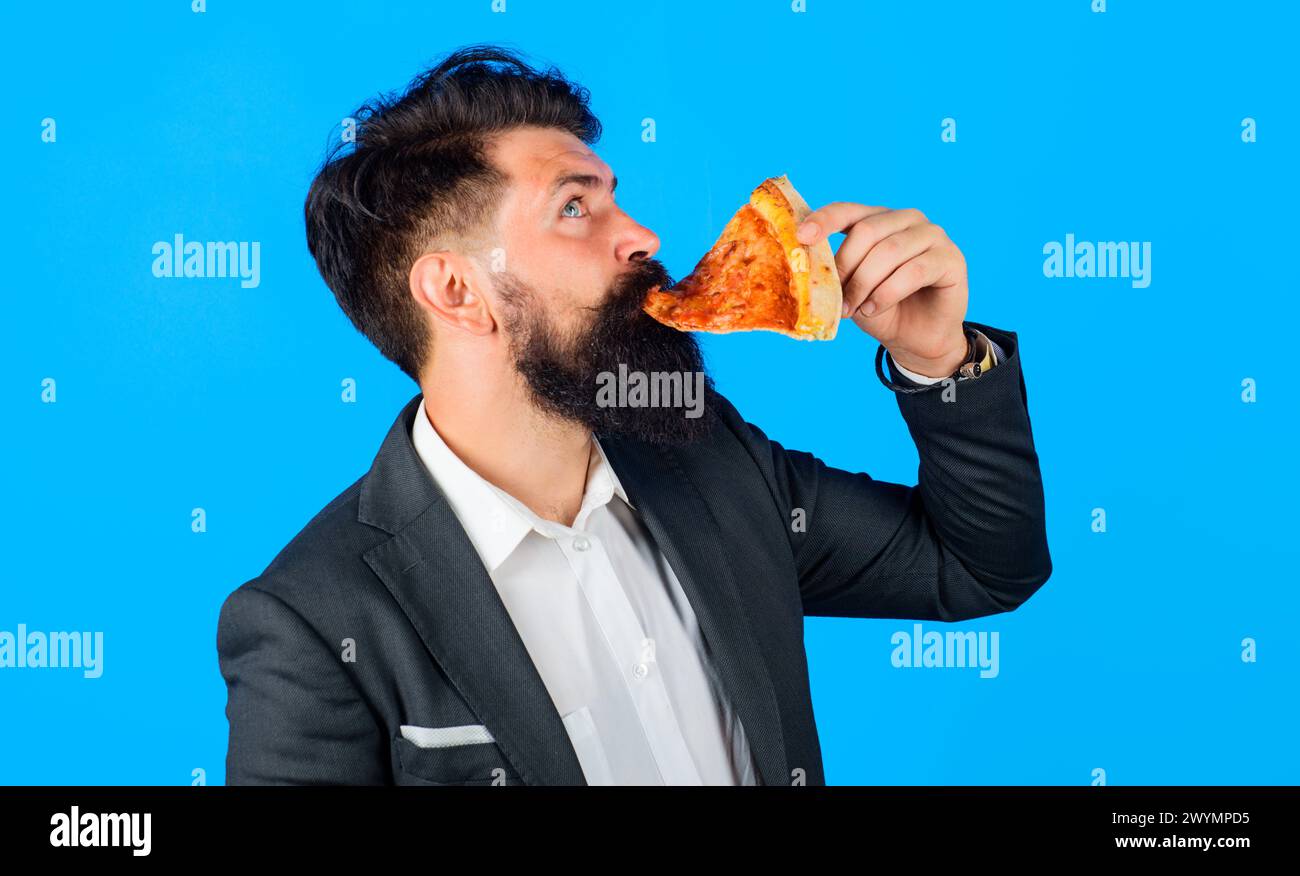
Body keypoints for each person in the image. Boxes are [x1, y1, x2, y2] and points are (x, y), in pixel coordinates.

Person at [216, 43, 1051, 786]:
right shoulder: (313, 624)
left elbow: (977, 565)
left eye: (616, 197)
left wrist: (939, 359)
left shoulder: (709, 458)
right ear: (458, 291)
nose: (643, 235)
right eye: (575, 208)